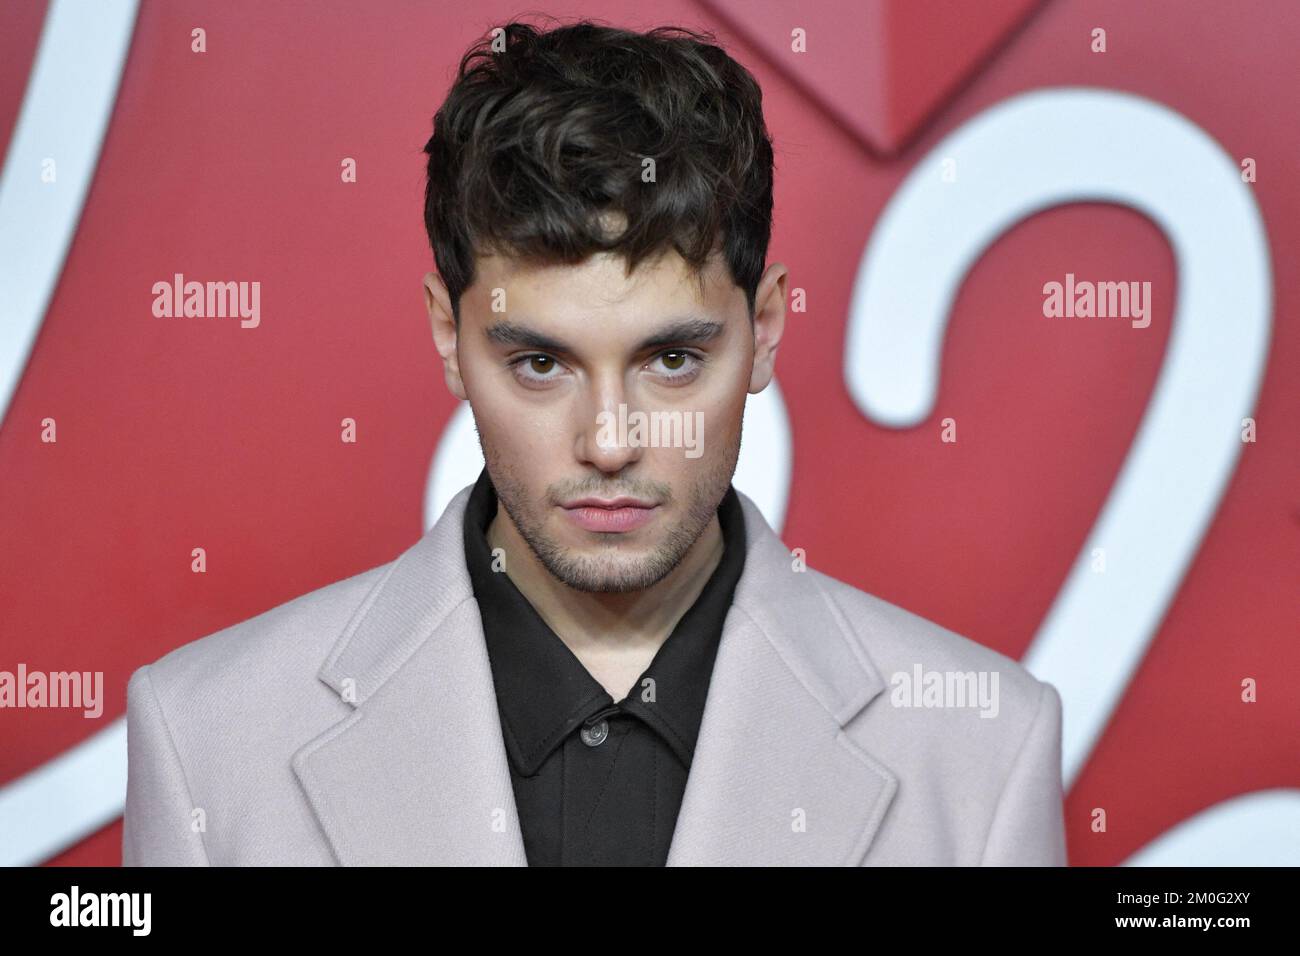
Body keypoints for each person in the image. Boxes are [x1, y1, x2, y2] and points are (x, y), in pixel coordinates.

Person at [123, 19, 1067, 866]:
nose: (609, 441)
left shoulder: (982, 750)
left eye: (670, 360)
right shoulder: (209, 738)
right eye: (540, 363)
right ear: (450, 340)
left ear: (767, 328)